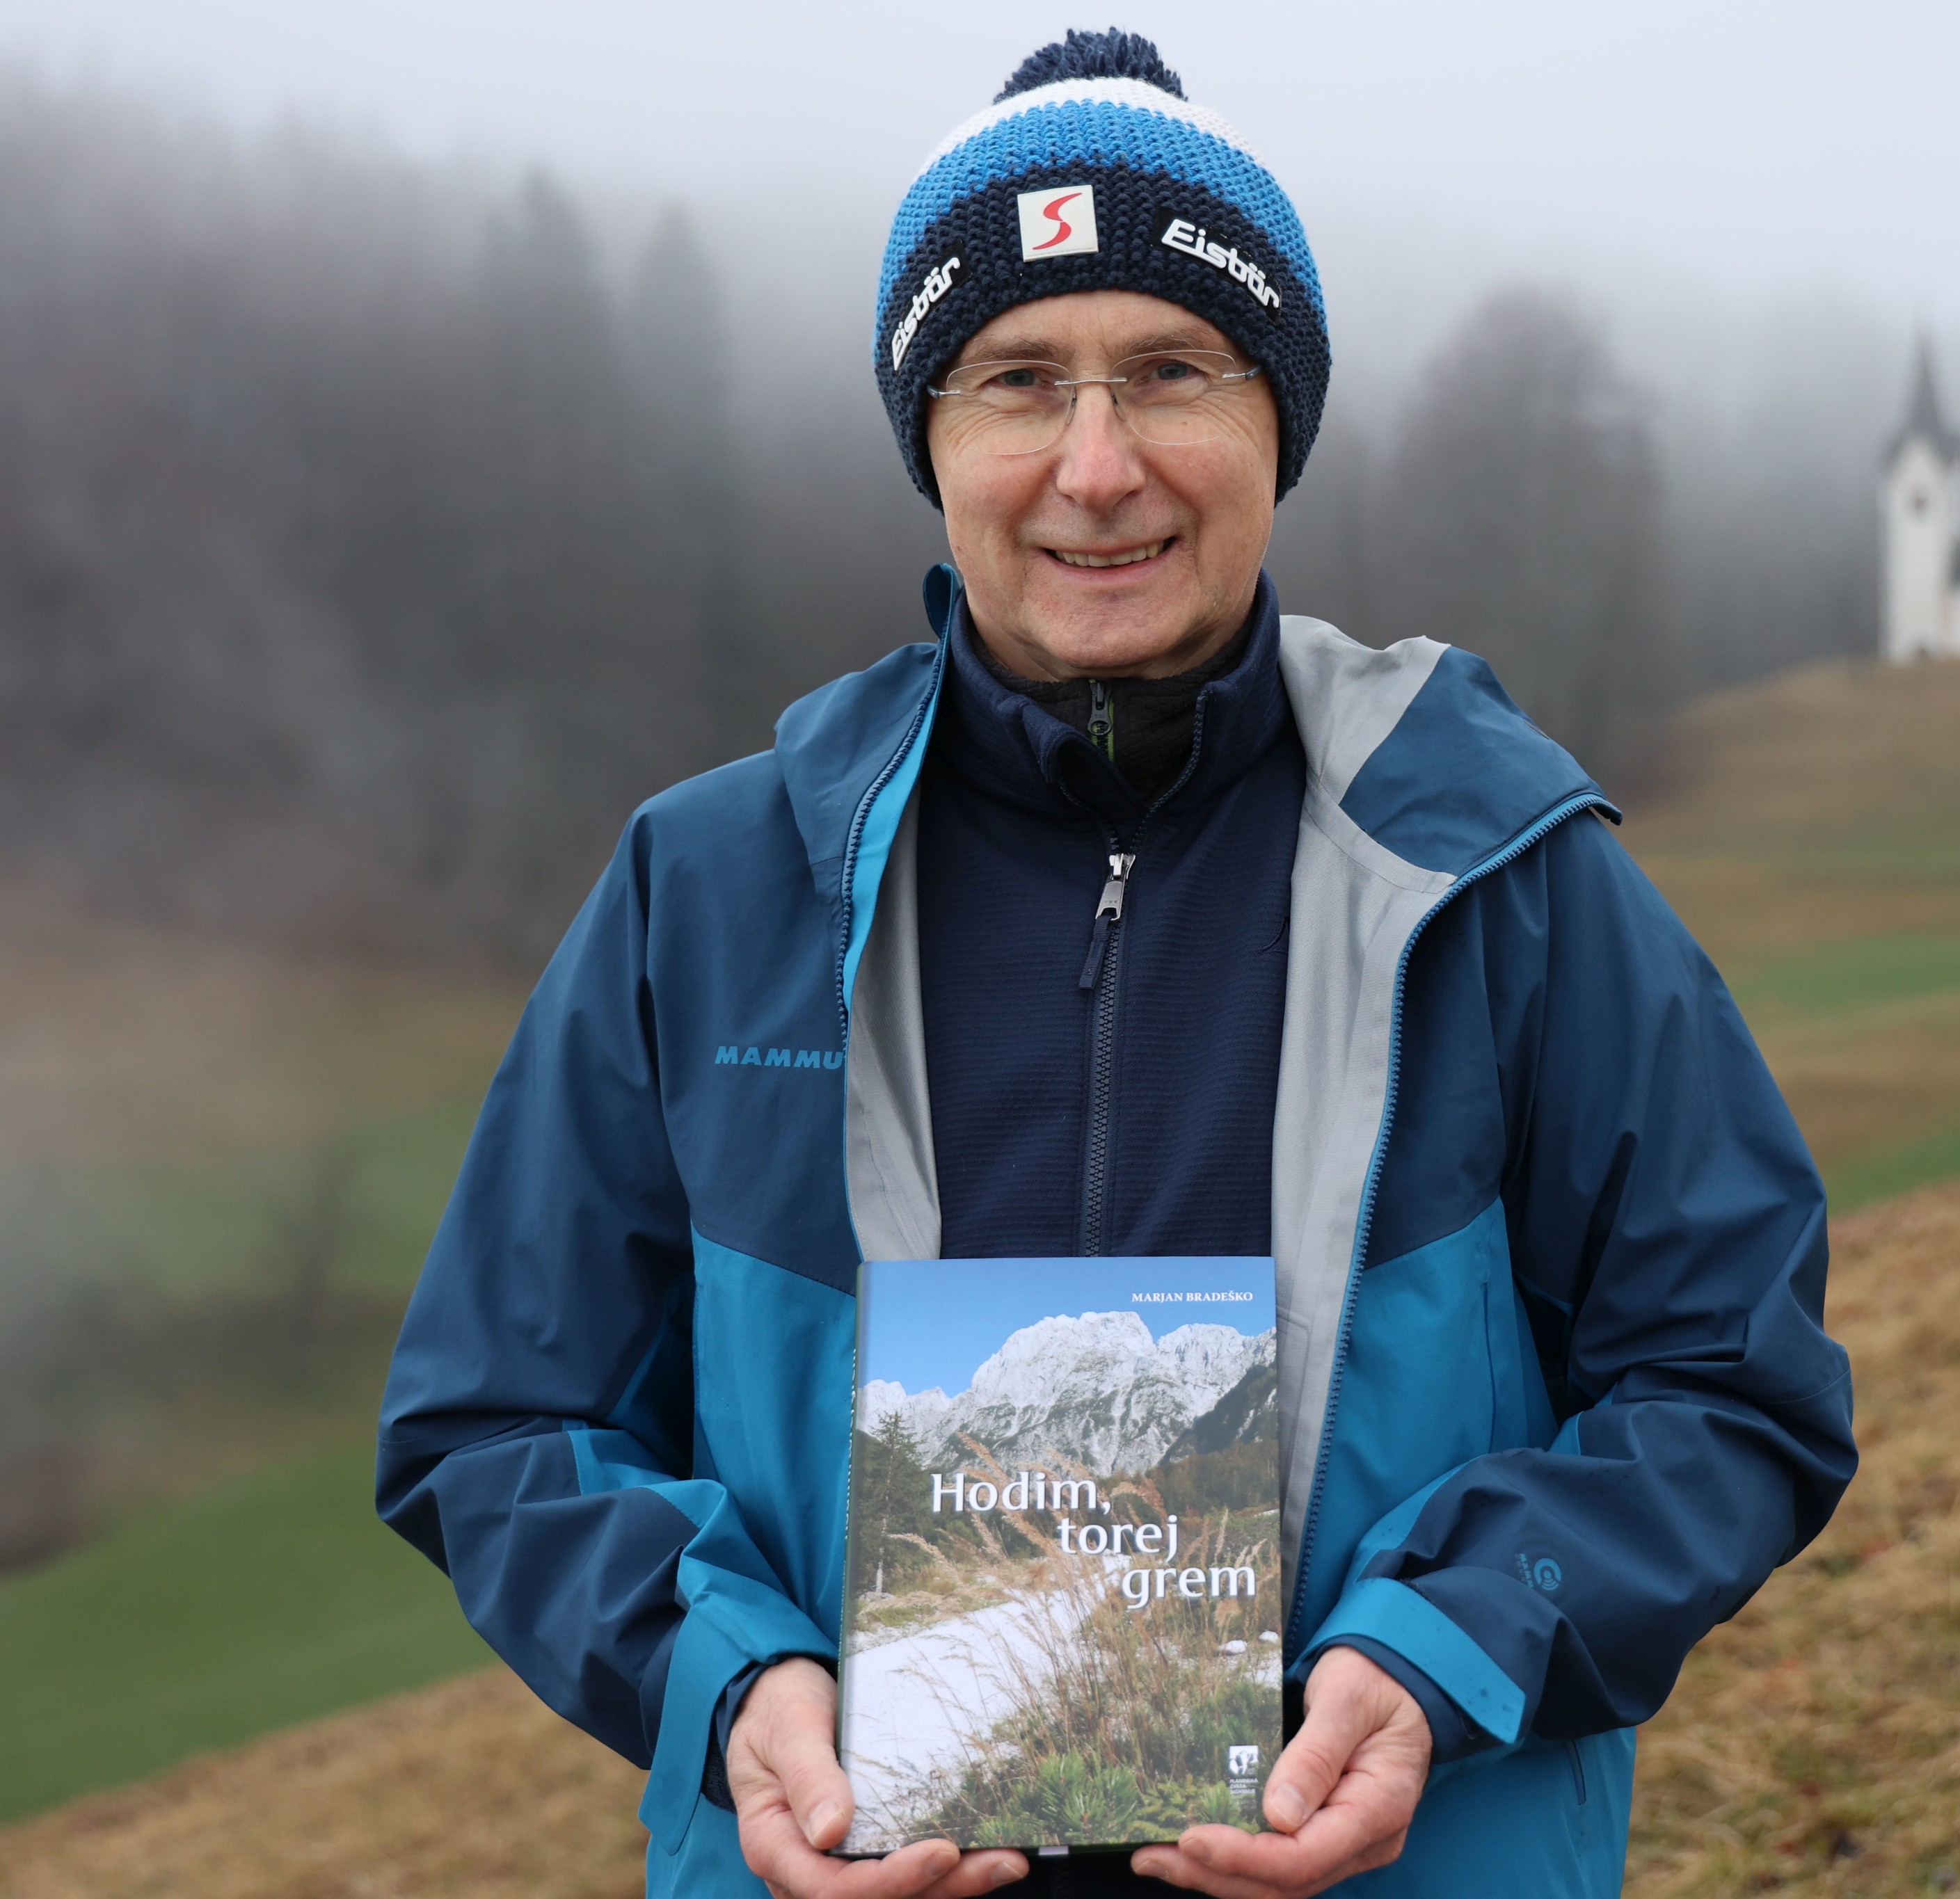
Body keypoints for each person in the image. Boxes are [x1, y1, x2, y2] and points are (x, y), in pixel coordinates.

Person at [377, 30, 1853, 1899]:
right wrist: (723, 1675)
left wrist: (1453, 1641)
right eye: (1018, 382)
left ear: (1276, 424)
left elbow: (1732, 1384)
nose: (1097, 467)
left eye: (1171, 371)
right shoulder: (709, 889)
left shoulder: (1498, 869)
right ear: (931, 438)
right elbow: (496, 1421)